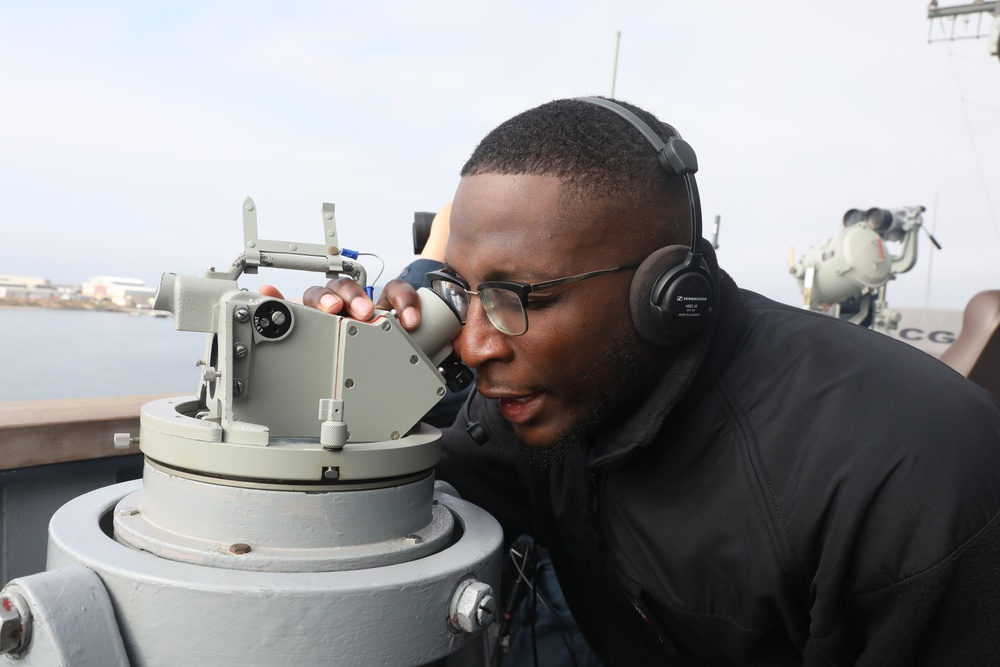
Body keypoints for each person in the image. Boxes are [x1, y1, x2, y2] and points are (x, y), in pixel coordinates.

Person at [278, 97, 1000, 665]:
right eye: (463, 292)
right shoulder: (539, 400)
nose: (475, 343)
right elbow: (372, 477)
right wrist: (335, 359)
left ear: (668, 293)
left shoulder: (904, 481)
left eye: (518, 297)